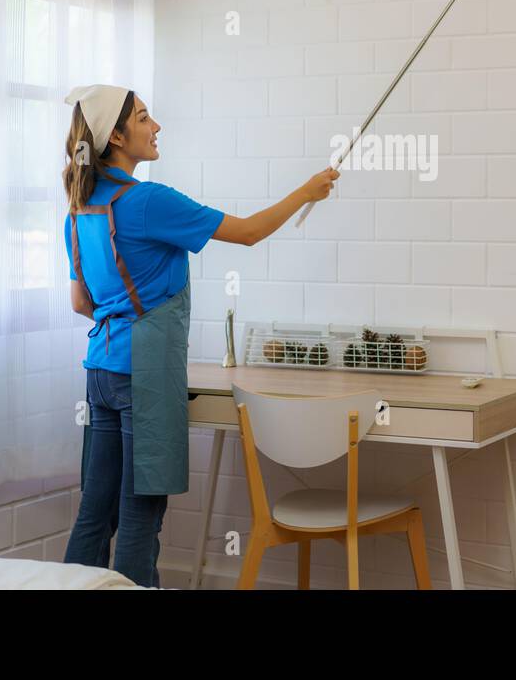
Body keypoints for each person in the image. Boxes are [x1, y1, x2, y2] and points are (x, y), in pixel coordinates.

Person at [59, 83, 338, 586]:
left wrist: (120, 318)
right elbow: (249, 232)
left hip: (99, 370)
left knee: (95, 514)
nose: (156, 126)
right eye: (145, 118)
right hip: (146, 374)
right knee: (141, 514)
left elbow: (82, 303)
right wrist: (307, 191)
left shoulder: (78, 210)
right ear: (117, 136)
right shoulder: (147, 201)